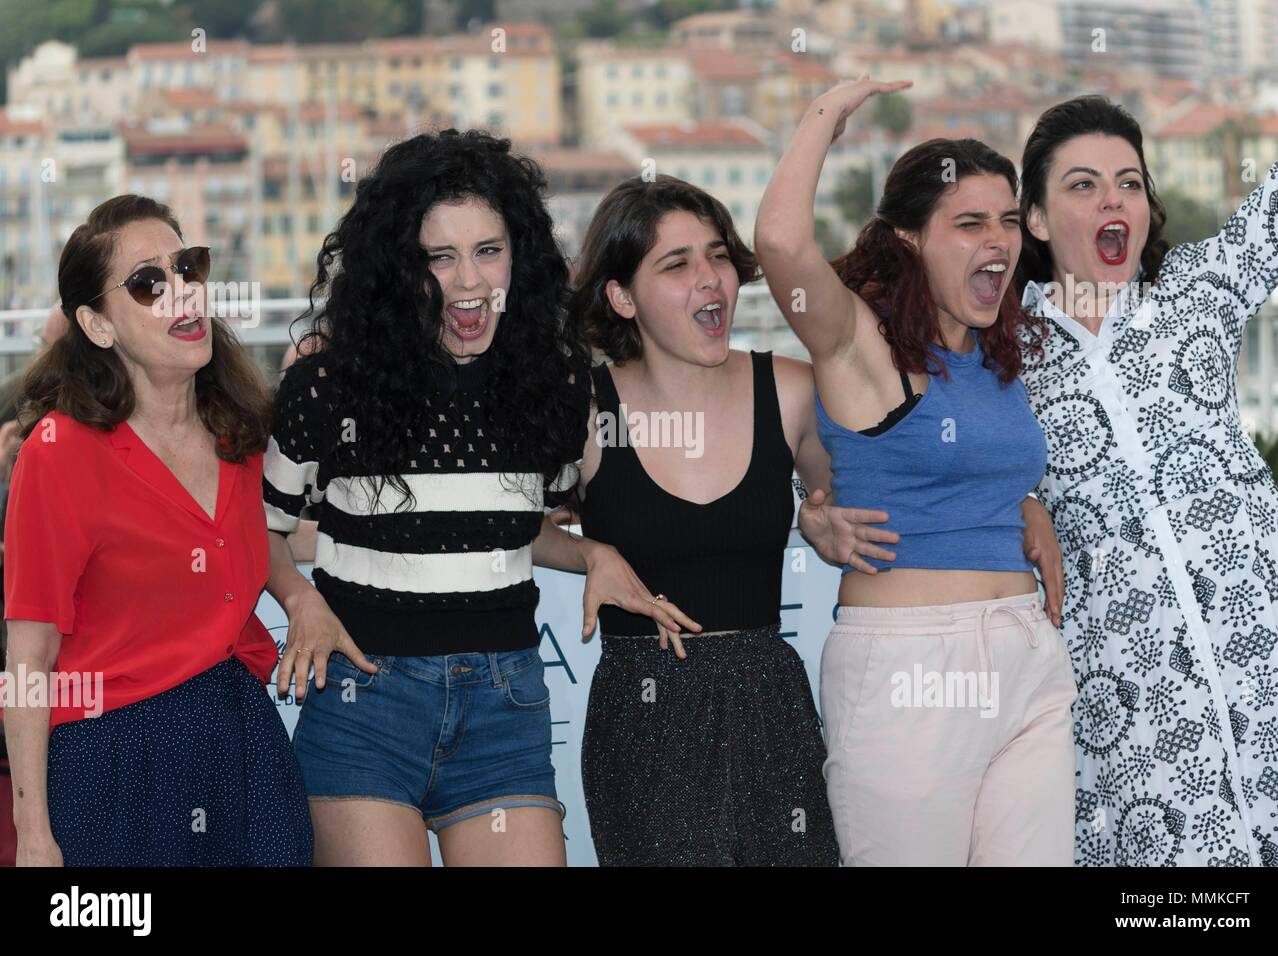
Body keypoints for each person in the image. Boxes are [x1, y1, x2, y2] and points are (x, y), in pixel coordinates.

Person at [263, 129, 665, 866]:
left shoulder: (557, 384)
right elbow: (261, 530)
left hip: (503, 705)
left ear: (522, 255)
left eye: (488, 250)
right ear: (397, 269)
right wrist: (301, 601)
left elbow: (504, 532)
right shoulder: (325, 388)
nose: (470, 282)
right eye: (438, 257)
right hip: (363, 700)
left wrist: (591, 552)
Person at [756, 75, 1076, 866]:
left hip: (1027, 655)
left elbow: (971, 465)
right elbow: (781, 247)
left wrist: (1025, 504)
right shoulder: (861, 346)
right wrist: (826, 114)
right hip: (910, 667)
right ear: (908, 238)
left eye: (1006, 220)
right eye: (968, 224)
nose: (997, 241)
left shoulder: (996, 353)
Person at [569, 174, 898, 865]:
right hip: (643, 715)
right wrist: (590, 555)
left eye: (717, 256)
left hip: (769, 706)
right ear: (621, 296)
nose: (711, 280)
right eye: (677, 263)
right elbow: (511, 529)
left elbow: (869, 487)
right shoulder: (586, 414)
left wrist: (820, 520)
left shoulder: (791, 391)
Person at [1014, 95, 1278, 867]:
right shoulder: (1002, 359)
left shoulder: (1200, 292)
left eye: (1129, 183)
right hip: (1130, 692)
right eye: (1082, 185)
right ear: (1035, 219)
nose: (1113, 199)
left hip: (1270, 649)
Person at [3, 194, 311, 866]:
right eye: (148, 283)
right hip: (112, 761)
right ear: (97, 324)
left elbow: (273, 541)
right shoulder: (59, 452)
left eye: (187, 268)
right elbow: (28, 660)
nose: (181, 293)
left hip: (242, 740)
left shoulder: (241, 433)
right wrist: (33, 834)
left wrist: (305, 598)